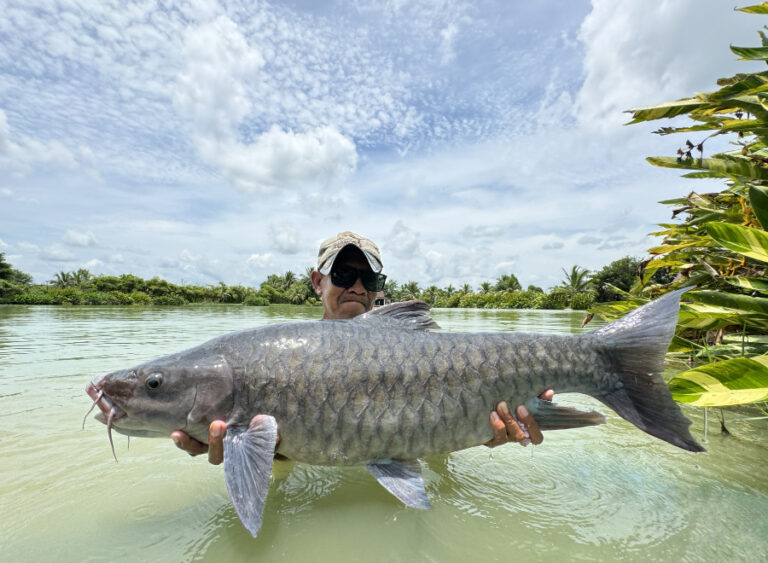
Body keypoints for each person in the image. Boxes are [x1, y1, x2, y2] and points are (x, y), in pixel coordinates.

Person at [171, 231, 552, 464]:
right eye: (344, 274)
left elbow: (440, 443)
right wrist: (251, 448)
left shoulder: (426, 351)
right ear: (317, 281)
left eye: (368, 279)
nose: (356, 287)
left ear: (378, 287)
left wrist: (481, 433)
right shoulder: (273, 356)